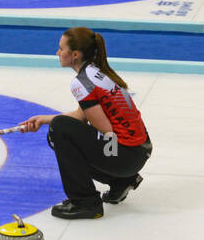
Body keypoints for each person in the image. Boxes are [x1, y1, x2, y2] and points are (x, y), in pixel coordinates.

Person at [22, 28, 152, 219]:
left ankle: (85, 202)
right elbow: (82, 116)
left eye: (61, 49)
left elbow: (106, 130)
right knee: (61, 127)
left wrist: (59, 127)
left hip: (126, 156)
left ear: (74, 55)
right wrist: (43, 119)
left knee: (59, 131)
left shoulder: (81, 82)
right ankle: (121, 181)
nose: (57, 53)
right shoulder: (95, 72)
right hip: (139, 150)